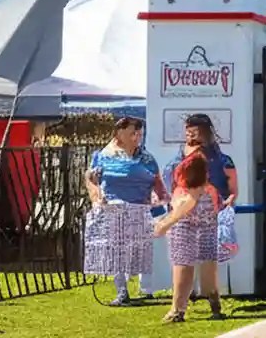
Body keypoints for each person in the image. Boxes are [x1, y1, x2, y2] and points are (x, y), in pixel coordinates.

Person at [84, 117, 169, 305]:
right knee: (117, 250)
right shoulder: (103, 156)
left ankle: (147, 288)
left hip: (140, 210)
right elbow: (90, 179)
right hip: (113, 209)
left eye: (140, 133)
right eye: (133, 133)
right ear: (119, 133)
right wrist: (97, 199)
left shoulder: (147, 158)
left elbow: (159, 185)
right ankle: (122, 291)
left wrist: (161, 199)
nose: (137, 137)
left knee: (139, 250)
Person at [154, 152, 223, 323]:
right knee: (208, 268)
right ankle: (214, 303)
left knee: (183, 269)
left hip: (184, 231)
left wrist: (164, 225)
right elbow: (218, 206)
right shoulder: (210, 190)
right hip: (207, 229)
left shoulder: (189, 192)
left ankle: (177, 310)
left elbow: (181, 210)